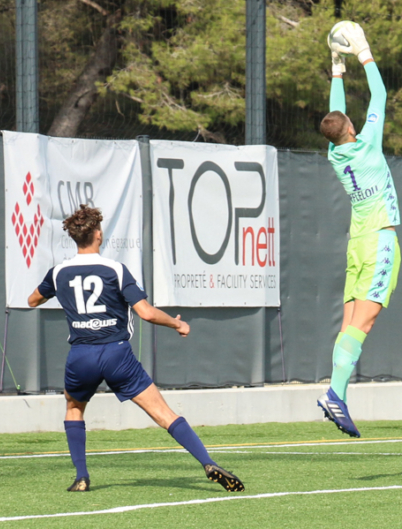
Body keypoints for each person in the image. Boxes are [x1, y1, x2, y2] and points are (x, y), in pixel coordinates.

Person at [27, 205, 243, 493]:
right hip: (116, 354)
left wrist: (57, 293)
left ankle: (81, 477)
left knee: (74, 407)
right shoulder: (115, 270)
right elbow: (147, 313)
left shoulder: (58, 272)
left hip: (81, 355)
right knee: (163, 413)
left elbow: (33, 300)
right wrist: (177, 324)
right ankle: (207, 462)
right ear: (98, 234)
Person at [316, 23, 401, 438]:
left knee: (349, 323)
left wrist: (337, 67)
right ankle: (334, 393)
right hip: (379, 240)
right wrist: (363, 53)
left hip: (357, 243)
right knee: (362, 325)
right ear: (351, 127)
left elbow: (335, 115)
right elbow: (379, 95)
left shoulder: (336, 153)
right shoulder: (367, 145)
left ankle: (339, 396)